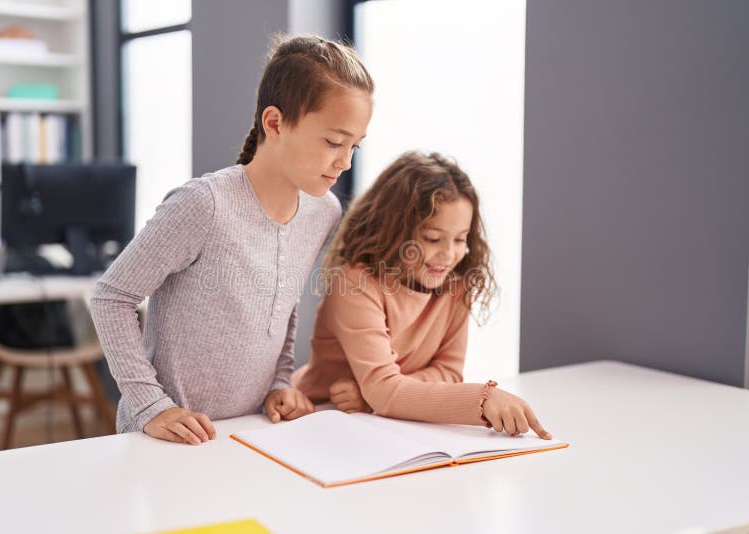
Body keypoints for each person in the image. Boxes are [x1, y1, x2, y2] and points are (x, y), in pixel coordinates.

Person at [90, 35, 374, 445]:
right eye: (333, 142)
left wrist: (280, 382)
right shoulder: (204, 204)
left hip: (250, 433)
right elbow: (111, 298)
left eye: (354, 146)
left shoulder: (323, 210)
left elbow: (284, 301)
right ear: (274, 123)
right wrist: (151, 405)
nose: (345, 161)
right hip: (166, 440)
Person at [294, 152, 552, 439]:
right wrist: (483, 399)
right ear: (392, 231)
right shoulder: (356, 286)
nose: (448, 254)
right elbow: (384, 390)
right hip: (313, 416)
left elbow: (448, 372)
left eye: (460, 239)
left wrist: (369, 397)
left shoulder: (456, 287)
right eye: (432, 238)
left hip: (382, 422)